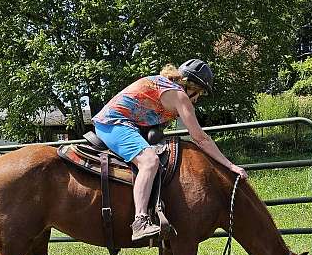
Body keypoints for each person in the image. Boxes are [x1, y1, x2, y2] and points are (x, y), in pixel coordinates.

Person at [92, 59, 248, 241]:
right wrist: (230, 166)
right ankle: (140, 220)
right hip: (114, 123)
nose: (198, 98)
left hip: (122, 123)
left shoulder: (164, 84)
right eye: (200, 93)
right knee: (149, 162)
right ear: (193, 86)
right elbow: (200, 138)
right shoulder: (179, 96)